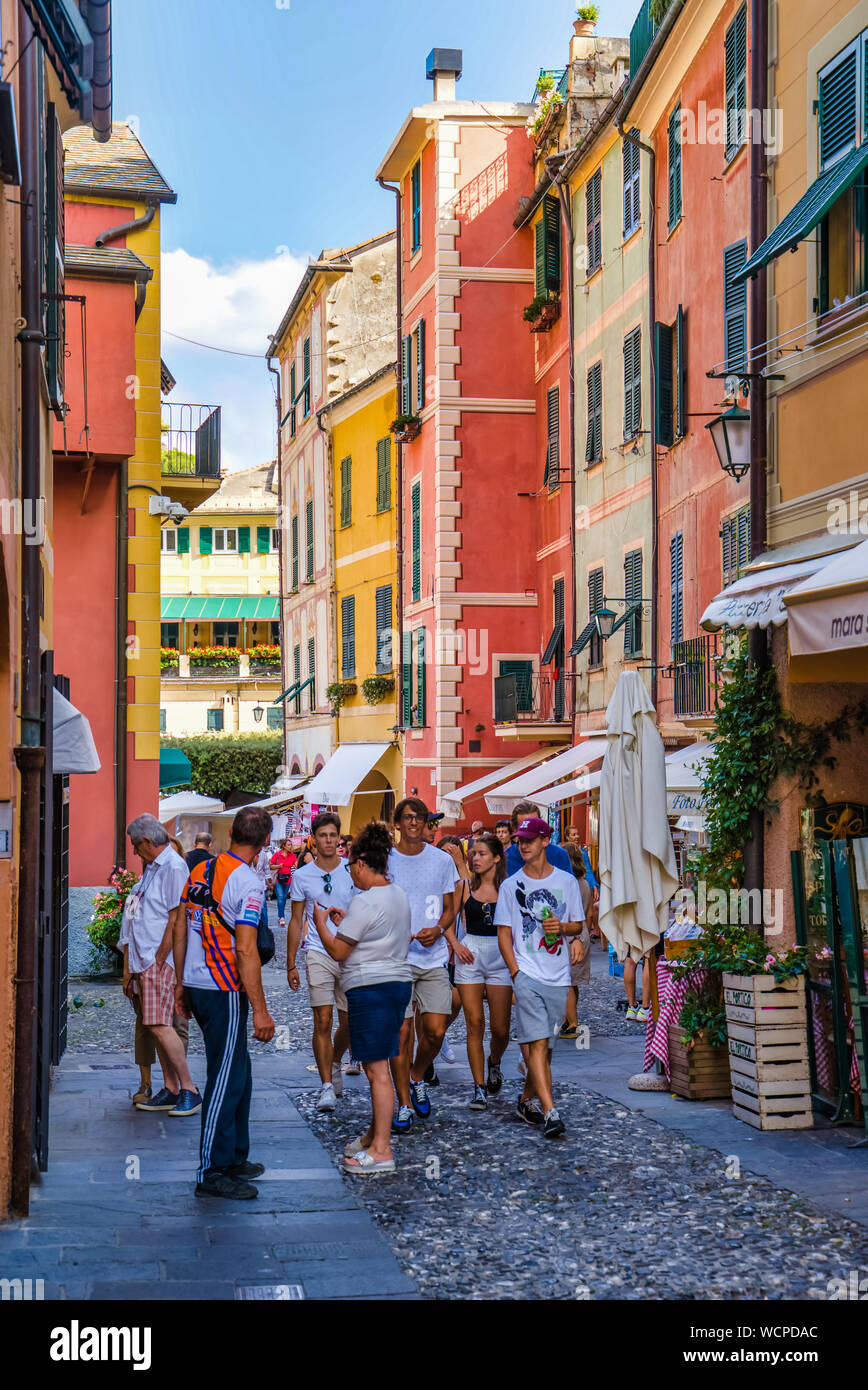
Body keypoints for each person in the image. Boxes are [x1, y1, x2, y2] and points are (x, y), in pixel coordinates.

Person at [174, 805, 276, 1201]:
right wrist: (261, 1009)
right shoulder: (248, 883)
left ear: (231, 831)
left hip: (199, 983)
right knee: (223, 1078)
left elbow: (182, 925)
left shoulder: (199, 870)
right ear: (266, 841)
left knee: (239, 1070)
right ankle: (211, 1169)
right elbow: (246, 949)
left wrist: (183, 983)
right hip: (223, 986)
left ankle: (234, 1155)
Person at [312, 821, 412, 1175]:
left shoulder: (366, 901)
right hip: (398, 983)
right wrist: (346, 919)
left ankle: (382, 1150)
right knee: (380, 1063)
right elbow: (376, 934)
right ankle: (374, 1135)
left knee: (376, 1070)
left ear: (362, 863)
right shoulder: (397, 895)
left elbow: (339, 950)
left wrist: (322, 925)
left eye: (351, 862)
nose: (349, 869)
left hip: (371, 986)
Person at [495, 815, 584, 1139]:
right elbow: (504, 933)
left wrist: (562, 929)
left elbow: (578, 925)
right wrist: (515, 972)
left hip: (558, 976)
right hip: (527, 972)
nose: (523, 845)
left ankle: (525, 1101)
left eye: (529, 840)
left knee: (545, 1049)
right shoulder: (510, 886)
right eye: (520, 840)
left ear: (546, 841)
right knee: (536, 1043)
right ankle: (551, 1111)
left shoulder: (566, 882)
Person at [387, 797, 463, 1131]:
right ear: (398, 823)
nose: (414, 823)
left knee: (435, 1029)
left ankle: (417, 1074)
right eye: (408, 817)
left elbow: (450, 906)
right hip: (396, 958)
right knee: (401, 1031)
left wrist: (439, 929)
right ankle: (403, 1101)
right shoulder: (386, 860)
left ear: (426, 823)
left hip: (432, 957)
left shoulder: (441, 860)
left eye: (420, 817)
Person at [121, 815, 201, 1117]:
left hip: (158, 960)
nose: (134, 851)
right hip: (147, 959)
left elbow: (176, 917)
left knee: (159, 1025)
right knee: (156, 1027)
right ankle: (170, 1088)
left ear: (146, 842)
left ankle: (189, 1089)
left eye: (135, 845)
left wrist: (159, 957)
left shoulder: (173, 867)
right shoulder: (156, 869)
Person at [287, 812, 355, 1112]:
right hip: (317, 951)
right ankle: (326, 1084)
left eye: (333, 835)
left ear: (339, 838)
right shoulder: (302, 876)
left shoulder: (353, 872)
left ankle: (336, 1059)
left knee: (351, 1021)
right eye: (323, 835)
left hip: (350, 951)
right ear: (314, 839)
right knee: (323, 1019)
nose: (329, 841)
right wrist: (290, 962)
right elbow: (296, 919)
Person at [454, 833, 512, 1109]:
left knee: (501, 1029)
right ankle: (478, 1087)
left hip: (501, 954)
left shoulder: (510, 888)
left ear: (497, 858)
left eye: (481, 854)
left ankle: (494, 1061)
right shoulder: (464, 886)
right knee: (474, 1024)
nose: (475, 858)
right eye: (473, 854)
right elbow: (445, 919)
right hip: (471, 953)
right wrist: (455, 943)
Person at [560, 844, 594, 1038]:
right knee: (573, 982)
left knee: (566, 981)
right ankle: (567, 1019)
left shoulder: (567, 883)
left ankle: (572, 1023)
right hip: (582, 934)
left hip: (570, 935)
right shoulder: (584, 883)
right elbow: (589, 914)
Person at [504, 801, 573, 876]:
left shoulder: (559, 855)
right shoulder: (505, 859)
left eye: (535, 823)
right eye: (525, 824)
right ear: (514, 829)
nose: (530, 828)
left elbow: (568, 885)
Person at [564, 824, 599, 896]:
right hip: (567, 887)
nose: (577, 837)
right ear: (567, 837)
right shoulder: (563, 852)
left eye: (577, 834)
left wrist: (595, 887)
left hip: (581, 886)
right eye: (573, 835)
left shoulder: (583, 852)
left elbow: (588, 871)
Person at [269, 837, 297, 927]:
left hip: (288, 880)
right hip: (278, 879)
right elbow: (270, 866)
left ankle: (280, 914)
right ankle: (282, 917)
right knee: (280, 897)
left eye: (291, 844)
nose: (290, 846)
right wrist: (278, 866)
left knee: (284, 897)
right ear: (284, 846)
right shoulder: (277, 855)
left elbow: (296, 865)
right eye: (289, 845)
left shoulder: (292, 855)